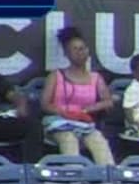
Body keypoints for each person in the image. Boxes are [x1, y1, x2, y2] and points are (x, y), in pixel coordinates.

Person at [41, 27, 116, 166]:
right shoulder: (56, 75)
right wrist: (65, 113)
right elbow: (45, 104)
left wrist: (86, 110)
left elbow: (108, 102)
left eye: (82, 48)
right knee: (69, 139)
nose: (80, 52)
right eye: (75, 49)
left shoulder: (96, 78)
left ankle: (109, 176)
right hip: (59, 123)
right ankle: (75, 177)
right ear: (66, 54)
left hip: (84, 123)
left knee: (98, 139)